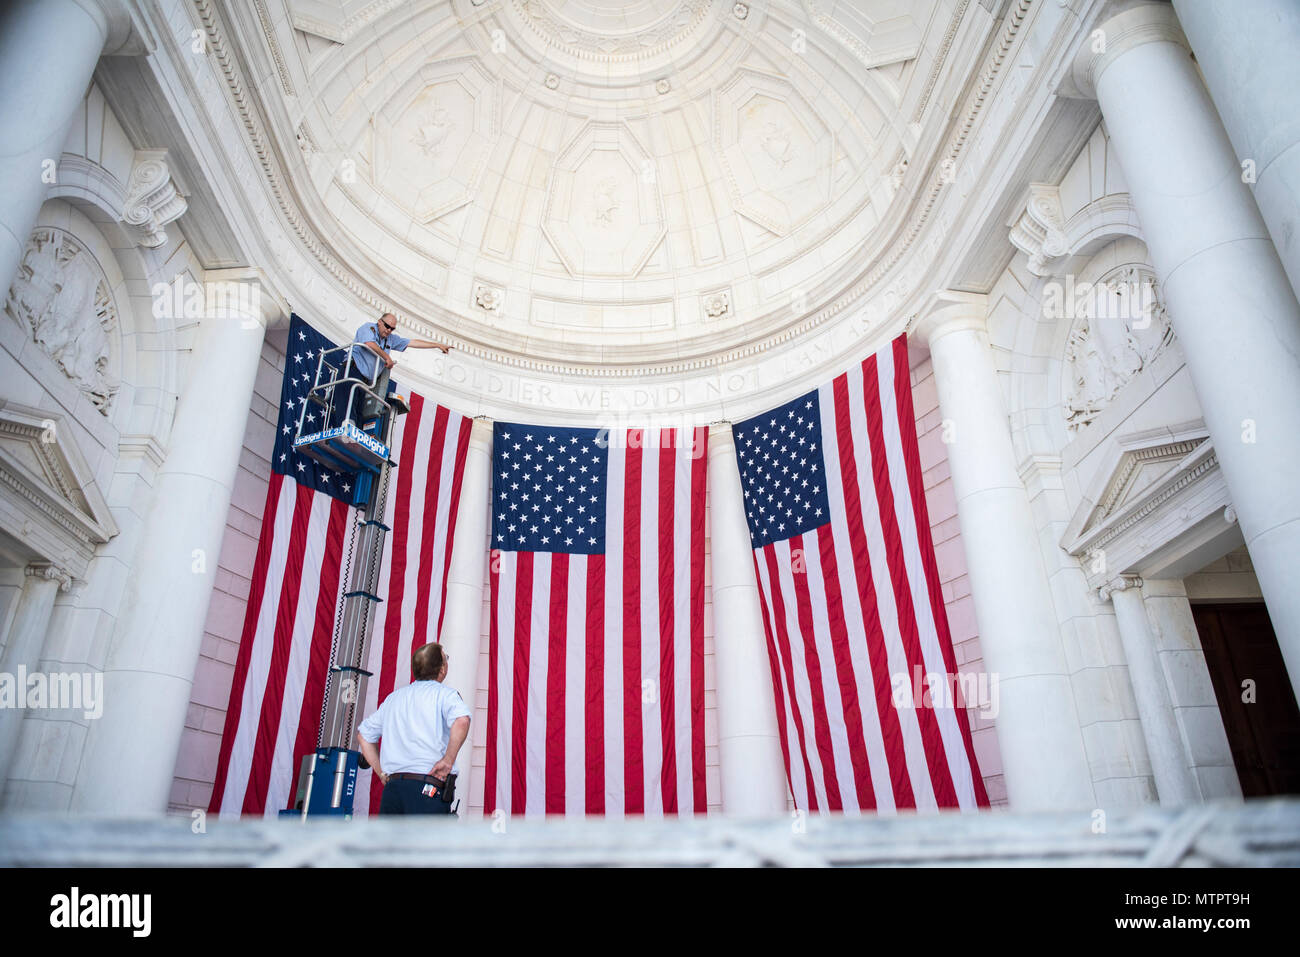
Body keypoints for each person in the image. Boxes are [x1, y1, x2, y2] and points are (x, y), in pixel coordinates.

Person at [355, 642, 471, 815]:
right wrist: (448, 760)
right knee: (425, 842)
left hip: (393, 790)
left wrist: (381, 773)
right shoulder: (445, 695)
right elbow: (462, 721)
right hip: (427, 788)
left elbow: (364, 736)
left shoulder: (393, 699)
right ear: (441, 669)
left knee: (391, 842)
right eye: (445, 658)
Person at [346, 313, 451, 423]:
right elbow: (369, 343)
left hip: (366, 380)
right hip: (353, 369)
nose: (389, 330)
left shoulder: (390, 339)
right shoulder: (368, 328)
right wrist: (387, 357)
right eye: (387, 326)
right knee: (347, 405)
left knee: (358, 412)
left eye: (392, 329)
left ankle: (352, 435)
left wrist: (437, 345)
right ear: (380, 322)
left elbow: (412, 342)